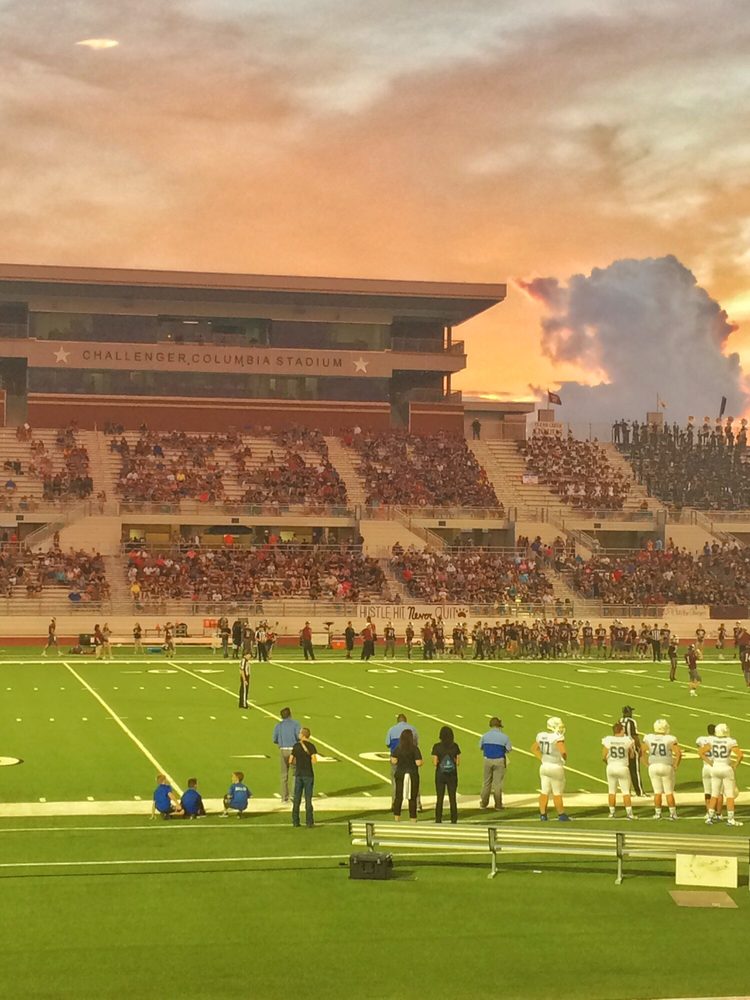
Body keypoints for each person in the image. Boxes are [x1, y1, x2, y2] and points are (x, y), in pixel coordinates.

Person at [700, 723, 744, 827]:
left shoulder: (712, 740)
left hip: (715, 768)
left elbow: (701, 752)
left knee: (714, 794)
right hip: (726, 768)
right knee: (729, 795)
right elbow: (740, 755)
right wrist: (735, 765)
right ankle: (730, 819)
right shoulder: (730, 741)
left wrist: (710, 762)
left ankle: (710, 817)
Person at [531, 717, 570, 821]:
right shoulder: (557, 737)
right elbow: (563, 751)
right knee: (557, 792)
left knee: (544, 791)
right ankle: (561, 814)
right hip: (555, 767)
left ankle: (543, 814)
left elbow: (534, 748)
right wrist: (564, 758)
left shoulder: (541, 736)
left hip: (544, 766)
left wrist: (542, 758)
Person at [642, 719, 681, 820]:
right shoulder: (669, 739)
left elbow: (641, 751)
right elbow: (678, 753)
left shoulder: (649, 738)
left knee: (657, 792)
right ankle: (672, 814)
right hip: (666, 765)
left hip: (653, 766)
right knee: (668, 792)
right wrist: (676, 764)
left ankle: (658, 813)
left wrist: (646, 764)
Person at [601, 722, 635, 819]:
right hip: (622, 767)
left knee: (611, 791)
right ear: (621, 730)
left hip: (611, 767)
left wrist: (609, 763)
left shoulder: (608, 740)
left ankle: (612, 813)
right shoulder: (627, 740)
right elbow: (632, 755)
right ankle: (629, 814)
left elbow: (604, 756)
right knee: (625, 792)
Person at [479, 717, 512, 810]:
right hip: (499, 760)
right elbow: (509, 749)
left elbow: (480, 747)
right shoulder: (505, 737)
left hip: (487, 760)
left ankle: (483, 803)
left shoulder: (485, 736)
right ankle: (498, 805)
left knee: (486, 782)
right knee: (497, 784)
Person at [391, 727, 422, 822]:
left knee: (398, 796)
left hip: (400, 773)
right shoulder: (415, 749)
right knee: (412, 797)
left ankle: (397, 817)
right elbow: (418, 763)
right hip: (412, 774)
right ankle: (413, 818)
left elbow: (393, 760)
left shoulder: (398, 748)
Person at [431, 725, 461, 824]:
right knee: (452, 798)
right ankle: (454, 819)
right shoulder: (455, 746)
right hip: (452, 775)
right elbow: (458, 762)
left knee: (440, 798)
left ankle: (438, 819)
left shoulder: (437, 746)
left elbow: (435, 762)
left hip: (440, 774)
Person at [290, 728, 317, 827]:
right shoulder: (311, 746)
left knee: (297, 799)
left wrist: (298, 763)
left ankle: (295, 821)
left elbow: (290, 760)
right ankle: (309, 822)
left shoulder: (296, 746)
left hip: (298, 774)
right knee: (308, 799)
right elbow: (314, 761)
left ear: (303, 735)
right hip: (308, 774)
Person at [273, 707, 301, 803]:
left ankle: (284, 797)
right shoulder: (296, 724)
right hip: (293, 750)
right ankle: (294, 795)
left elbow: (274, 739)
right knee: (295, 773)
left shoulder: (278, 725)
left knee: (284, 774)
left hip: (283, 749)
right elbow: (299, 737)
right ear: (290, 714)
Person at [697, 724, 723, 821]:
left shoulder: (701, 739)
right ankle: (719, 814)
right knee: (719, 792)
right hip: (716, 766)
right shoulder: (719, 741)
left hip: (706, 767)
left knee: (707, 791)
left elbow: (699, 748)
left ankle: (708, 813)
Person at [620, 706, 644, 796]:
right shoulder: (631, 721)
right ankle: (639, 792)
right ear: (628, 713)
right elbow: (634, 735)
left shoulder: (619, 721)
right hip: (631, 746)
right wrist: (639, 747)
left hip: (622, 747)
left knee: (625, 770)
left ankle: (626, 792)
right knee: (635, 770)